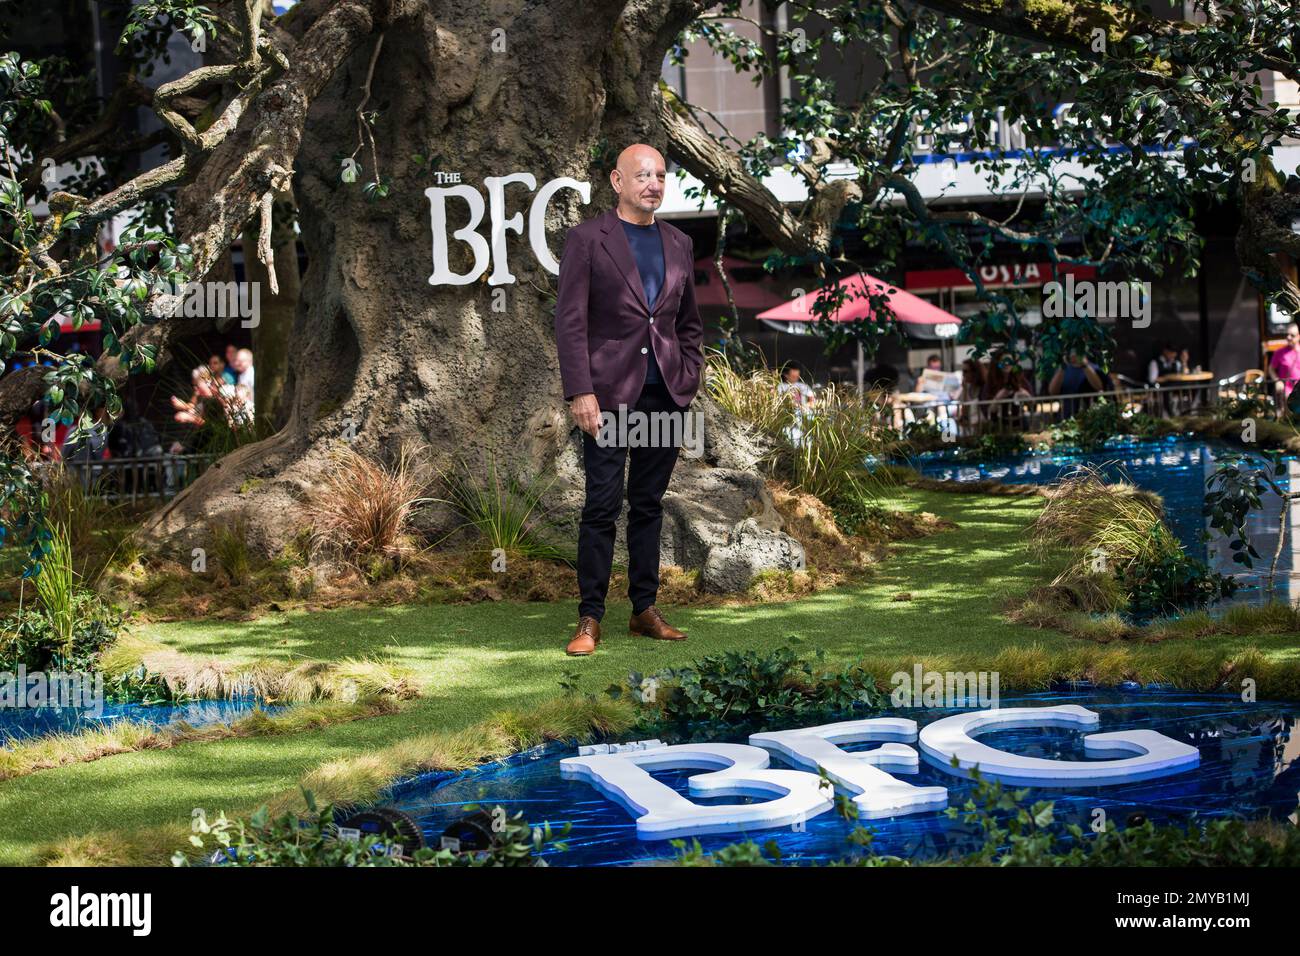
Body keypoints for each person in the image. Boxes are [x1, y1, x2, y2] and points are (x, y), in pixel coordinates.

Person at [555, 143, 703, 657]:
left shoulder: (680, 242)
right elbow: (570, 320)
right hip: (609, 396)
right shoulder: (587, 240)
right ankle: (589, 618)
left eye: (661, 175)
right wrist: (580, 390)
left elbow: (688, 323)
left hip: (666, 393)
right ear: (617, 182)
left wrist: (690, 375)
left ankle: (644, 610)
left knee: (648, 504)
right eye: (642, 175)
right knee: (601, 505)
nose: (653, 183)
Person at [1048, 351, 1108, 417]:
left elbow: (1099, 387)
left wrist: (1084, 365)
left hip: (1090, 417)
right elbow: (1052, 391)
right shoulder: (1062, 369)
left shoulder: (1095, 368)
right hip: (1066, 416)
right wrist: (1063, 366)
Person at [1269, 323, 1300, 400]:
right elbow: (1271, 369)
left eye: (1292, 335)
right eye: (1287, 334)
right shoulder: (1279, 352)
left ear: (1298, 336)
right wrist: (1277, 381)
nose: (1288, 337)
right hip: (1286, 393)